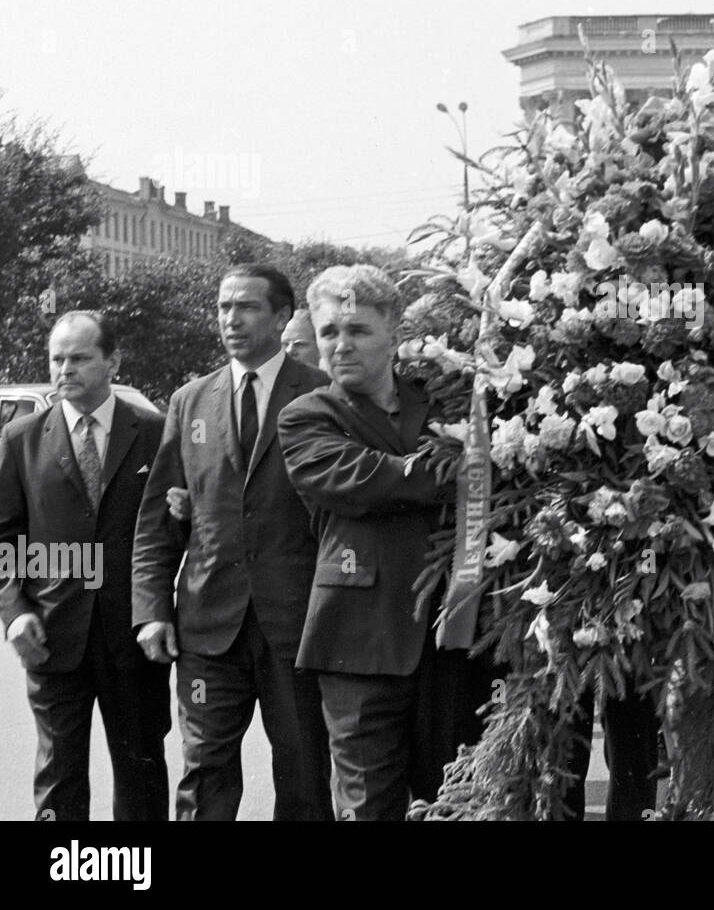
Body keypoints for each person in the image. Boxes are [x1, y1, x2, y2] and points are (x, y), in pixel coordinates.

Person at [278, 265, 496, 820]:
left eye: (358, 331)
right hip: (359, 640)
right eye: (328, 333)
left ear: (394, 333)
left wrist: (426, 469)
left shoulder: (446, 400)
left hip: (452, 637)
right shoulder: (305, 416)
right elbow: (362, 481)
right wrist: (454, 471)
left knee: (454, 803)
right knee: (366, 808)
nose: (340, 345)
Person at [133, 264, 332, 821]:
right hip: (206, 629)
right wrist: (151, 610)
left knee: (303, 772)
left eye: (245, 307)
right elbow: (157, 521)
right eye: (223, 307)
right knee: (203, 772)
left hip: (295, 627)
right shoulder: (190, 401)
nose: (230, 319)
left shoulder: (320, 394)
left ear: (281, 315)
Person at [0, 311, 170, 820]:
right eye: (57, 359)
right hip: (52, 632)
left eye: (79, 358)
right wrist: (15, 610)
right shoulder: (21, 439)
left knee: (140, 769)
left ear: (112, 361)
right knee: (59, 774)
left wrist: (159, 607)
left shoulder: (156, 433)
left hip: (134, 632)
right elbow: (5, 534)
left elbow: (171, 530)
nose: (64, 369)